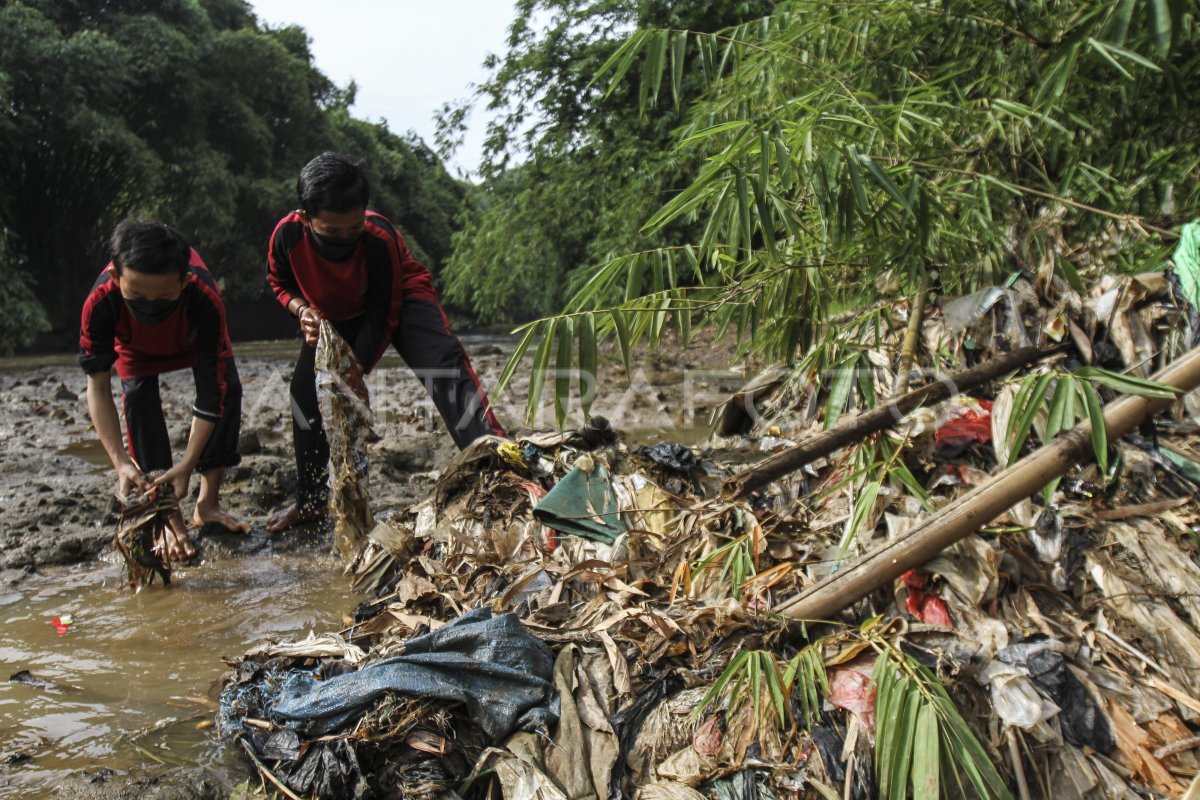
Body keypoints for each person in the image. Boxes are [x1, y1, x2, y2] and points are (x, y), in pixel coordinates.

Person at [264, 152, 505, 532]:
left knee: (441, 365)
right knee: (303, 395)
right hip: (329, 312)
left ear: (364, 213)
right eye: (331, 233)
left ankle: (496, 466)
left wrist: (355, 369)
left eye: (353, 228)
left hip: (398, 297)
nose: (344, 239)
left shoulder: (379, 237)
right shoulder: (286, 236)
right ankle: (310, 502)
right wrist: (300, 310)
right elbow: (280, 282)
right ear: (306, 219)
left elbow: (384, 314)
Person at [79, 220, 248, 558]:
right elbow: (98, 388)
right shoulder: (100, 302)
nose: (150, 305)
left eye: (163, 296)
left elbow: (210, 394)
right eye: (138, 296)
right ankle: (167, 518)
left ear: (184, 282)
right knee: (139, 400)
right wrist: (121, 462)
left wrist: (187, 463)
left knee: (229, 389)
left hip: (191, 337)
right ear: (116, 279)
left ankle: (208, 503)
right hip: (134, 349)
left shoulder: (204, 298)